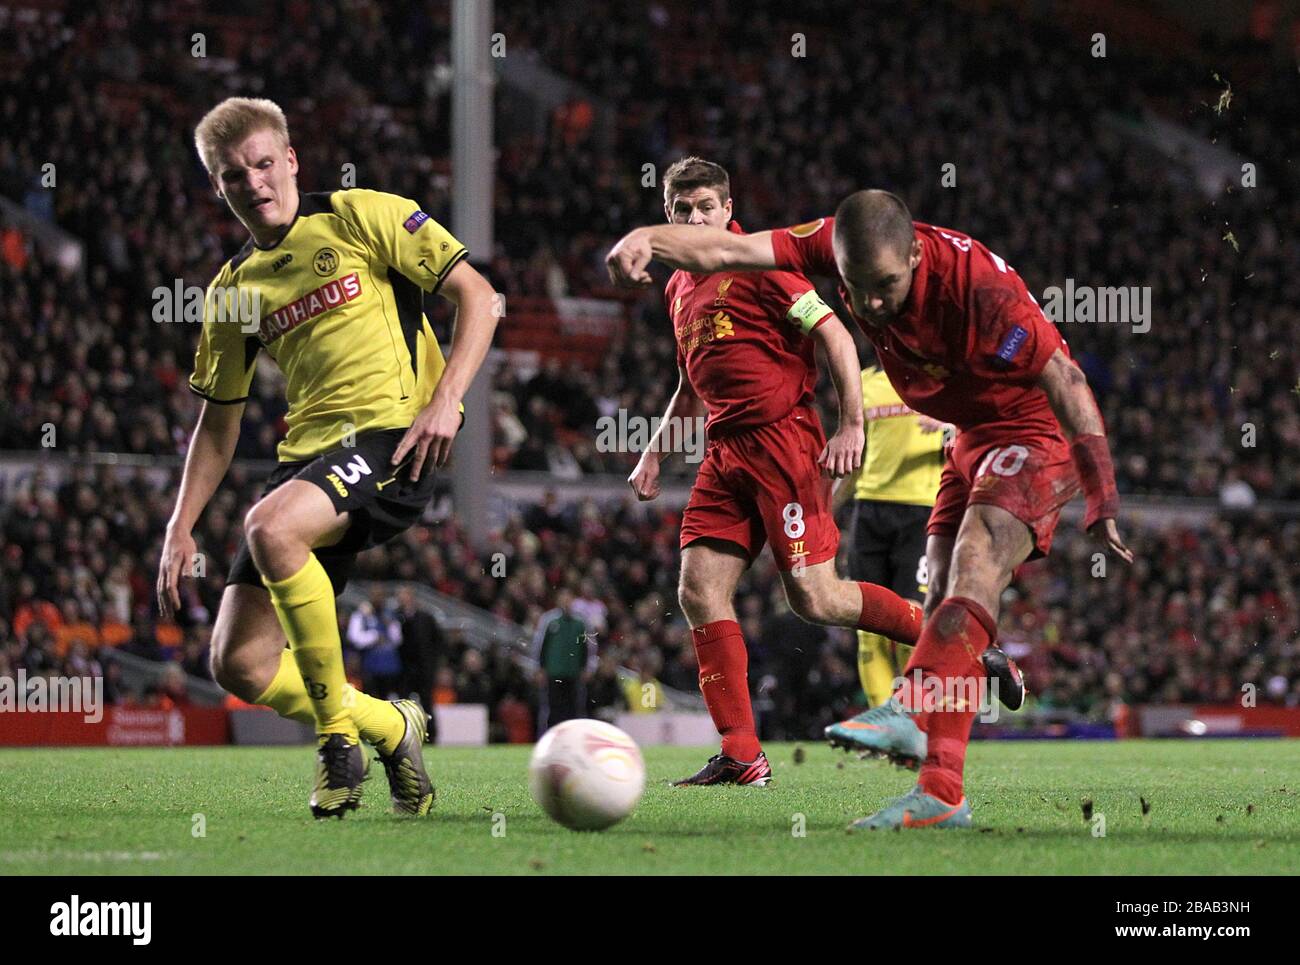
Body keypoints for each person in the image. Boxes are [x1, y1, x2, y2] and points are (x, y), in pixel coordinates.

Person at [607, 188, 1132, 828]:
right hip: (968, 434)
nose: (873, 304)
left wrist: (1101, 493)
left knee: (965, 564)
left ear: (914, 254)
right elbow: (726, 252)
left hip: (1030, 430)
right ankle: (939, 794)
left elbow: (1069, 383)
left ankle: (911, 704)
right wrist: (645, 238)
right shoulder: (821, 247)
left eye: (885, 285)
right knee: (940, 599)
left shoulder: (980, 290)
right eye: (858, 286)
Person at [156, 97, 499, 818]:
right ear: (218, 190)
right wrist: (180, 524)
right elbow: (218, 424)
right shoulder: (233, 292)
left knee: (271, 525)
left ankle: (337, 742)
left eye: (261, 163)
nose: (253, 183)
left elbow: (481, 295)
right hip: (309, 465)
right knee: (238, 662)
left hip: (395, 436)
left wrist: (446, 400)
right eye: (231, 176)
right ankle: (391, 724)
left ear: (290, 161)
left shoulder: (359, 215)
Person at [627, 158, 925, 789]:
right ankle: (742, 754)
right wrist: (656, 450)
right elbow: (690, 380)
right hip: (724, 451)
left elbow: (837, 337)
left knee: (816, 599)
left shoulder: (763, 266)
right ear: (669, 216)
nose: (695, 219)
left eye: (706, 207)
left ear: (728, 211)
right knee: (697, 590)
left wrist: (851, 425)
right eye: (683, 211)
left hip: (784, 443)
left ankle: (953, 639)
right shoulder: (678, 286)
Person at [833, 356, 1024, 711]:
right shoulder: (862, 383)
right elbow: (854, 453)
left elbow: (981, 426)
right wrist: (828, 509)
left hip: (922, 509)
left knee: (912, 618)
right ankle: (880, 722)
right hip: (869, 509)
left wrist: (952, 426)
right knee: (867, 630)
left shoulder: (940, 379)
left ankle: (919, 716)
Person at [531, 587, 593, 732]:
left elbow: (589, 647)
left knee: (574, 709)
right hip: (553, 673)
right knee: (553, 709)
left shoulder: (581, 622)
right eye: (563, 597)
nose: (566, 601)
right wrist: (539, 668)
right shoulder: (549, 620)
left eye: (569, 598)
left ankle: (572, 738)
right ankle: (551, 738)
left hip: (574, 673)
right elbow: (539, 645)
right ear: (558, 600)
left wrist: (588, 668)